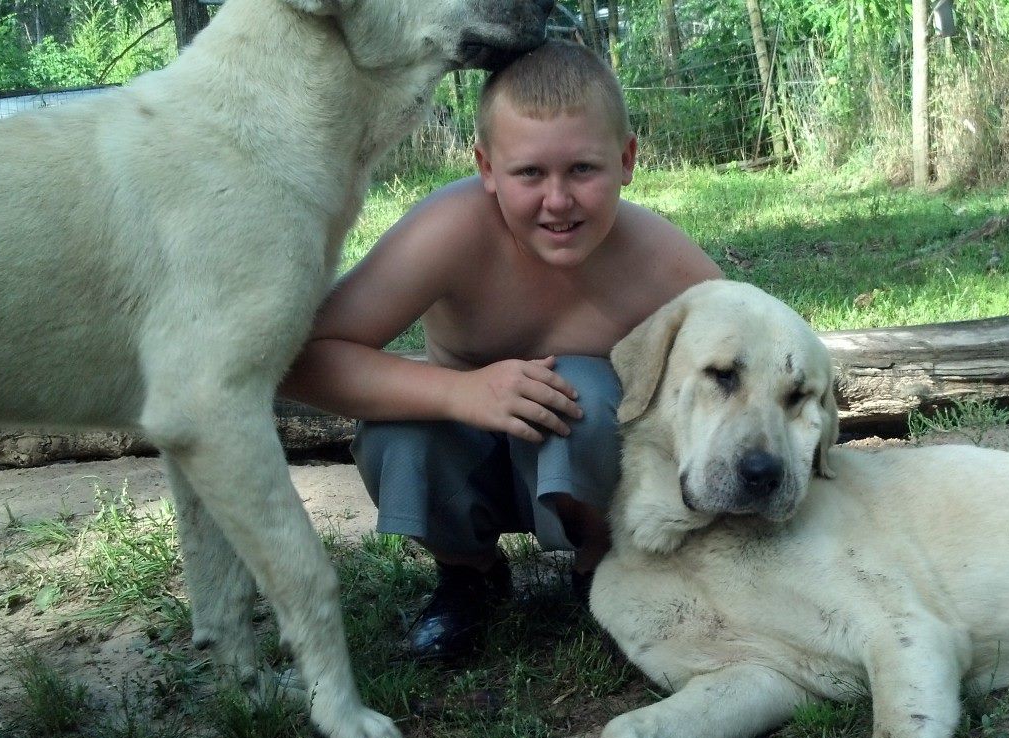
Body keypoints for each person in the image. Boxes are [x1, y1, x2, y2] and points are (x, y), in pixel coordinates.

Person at [281, 40, 723, 662]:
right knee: (397, 432)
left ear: (626, 159)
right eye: (529, 173)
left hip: (591, 472)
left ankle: (603, 568)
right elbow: (298, 358)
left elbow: (759, 365)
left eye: (582, 170)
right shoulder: (450, 230)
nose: (558, 200)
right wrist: (459, 391)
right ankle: (469, 575)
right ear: (486, 168)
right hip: (470, 464)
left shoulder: (662, 262)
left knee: (585, 389)